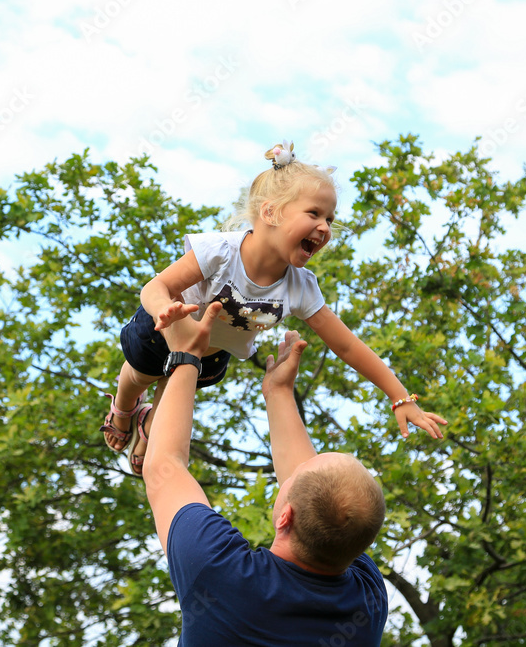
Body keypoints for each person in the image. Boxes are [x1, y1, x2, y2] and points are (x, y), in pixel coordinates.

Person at [102, 140, 446, 475]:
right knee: (139, 376)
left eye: (329, 218)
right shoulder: (220, 252)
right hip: (162, 332)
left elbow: (347, 345)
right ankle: (124, 408)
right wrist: (164, 307)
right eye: (314, 213)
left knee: (173, 400)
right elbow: (157, 286)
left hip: (210, 355)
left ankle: (149, 427)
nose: (325, 227)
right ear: (270, 212)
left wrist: (401, 397)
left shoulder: (300, 286)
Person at [144, 301, 389, 645]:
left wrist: (186, 357)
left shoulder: (220, 573)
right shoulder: (367, 604)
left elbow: (163, 468)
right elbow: (318, 504)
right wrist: (279, 394)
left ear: (285, 516)